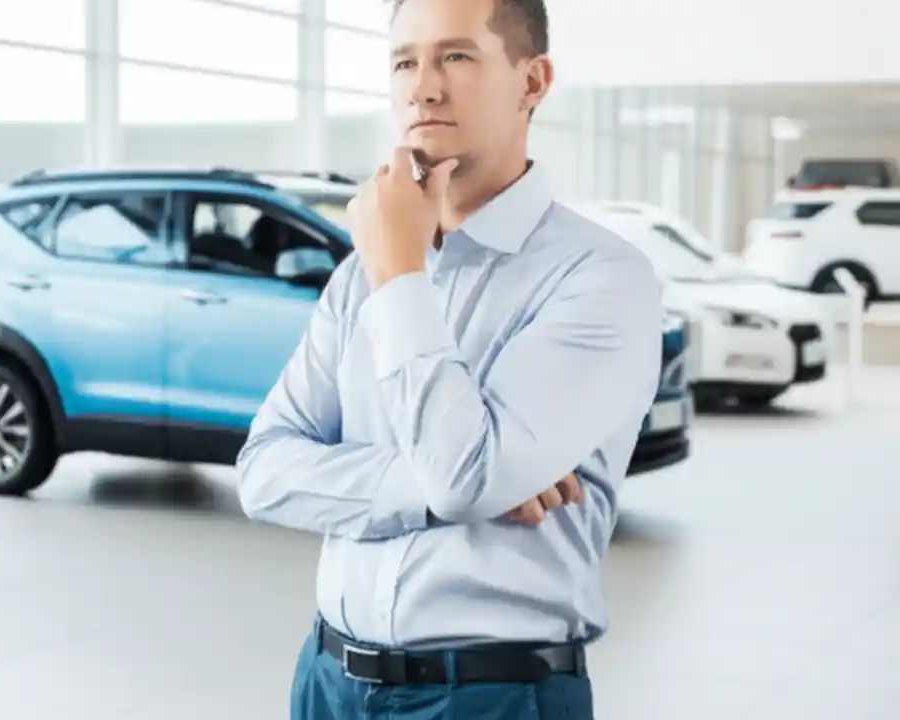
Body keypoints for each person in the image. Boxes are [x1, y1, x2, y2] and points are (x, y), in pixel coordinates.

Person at [234, 0, 664, 717]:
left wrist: (400, 267)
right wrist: (437, 481)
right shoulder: (358, 275)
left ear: (533, 82)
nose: (422, 87)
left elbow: (464, 478)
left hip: (492, 695)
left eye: (456, 57)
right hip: (328, 679)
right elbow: (264, 472)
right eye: (405, 61)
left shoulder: (601, 278)